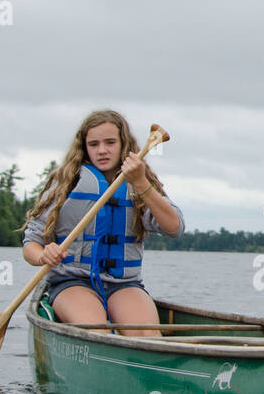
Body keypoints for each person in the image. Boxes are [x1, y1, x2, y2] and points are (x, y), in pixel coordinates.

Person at [22, 110, 184, 336]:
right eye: (94, 144)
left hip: (123, 285)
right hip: (72, 282)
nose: (102, 150)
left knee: (148, 336)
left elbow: (174, 227)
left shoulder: (139, 183)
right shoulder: (67, 182)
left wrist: (141, 183)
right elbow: (31, 243)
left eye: (110, 142)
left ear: (123, 144)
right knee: (96, 332)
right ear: (84, 147)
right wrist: (42, 255)